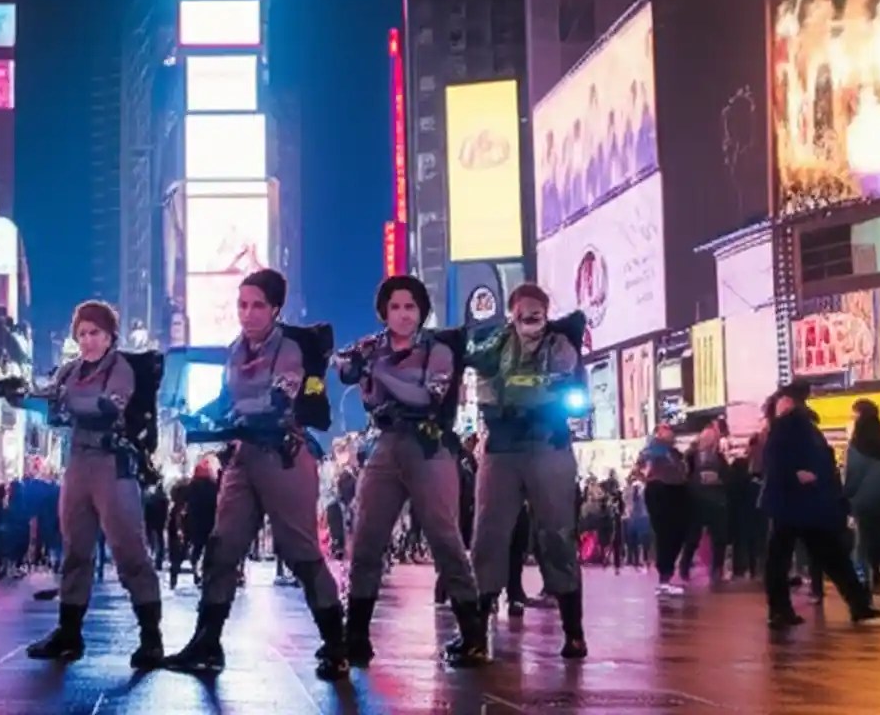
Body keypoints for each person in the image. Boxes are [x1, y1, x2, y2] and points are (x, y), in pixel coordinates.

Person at [164, 269, 347, 679]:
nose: (247, 314)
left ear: (276, 309)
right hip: (244, 458)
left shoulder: (289, 349)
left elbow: (281, 399)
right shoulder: (235, 349)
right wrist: (198, 415)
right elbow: (227, 398)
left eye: (257, 305)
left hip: (284, 455)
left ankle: (336, 645)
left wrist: (231, 420)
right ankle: (207, 643)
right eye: (242, 304)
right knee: (222, 548)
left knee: (301, 553)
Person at [335, 275, 480, 667]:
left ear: (421, 312)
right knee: (365, 540)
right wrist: (347, 363)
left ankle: (473, 636)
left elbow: (426, 397)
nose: (403, 314)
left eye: (411, 307)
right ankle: (356, 635)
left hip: (428, 446)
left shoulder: (438, 349)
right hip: (383, 445)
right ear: (384, 311)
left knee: (445, 538)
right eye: (395, 307)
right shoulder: (371, 346)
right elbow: (345, 373)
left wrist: (378, 371)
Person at [26, 301, 163, 669]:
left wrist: (64, 399)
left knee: (129, 550)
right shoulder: (70, 370)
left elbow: (110, 405)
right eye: (82, 333)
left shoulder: (120, 368)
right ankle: (68, 634)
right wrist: (20, 393)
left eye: (95, 333)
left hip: (112, 463)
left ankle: (151, 637)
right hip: (78, 463)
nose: (88, 341)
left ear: (109, 335)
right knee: (75, 550)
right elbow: (52, 406)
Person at [465, 283, 587, 661]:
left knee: (557, 536)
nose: (530, 318)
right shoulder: (496, 345)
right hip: (502, 450)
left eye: (537, 311)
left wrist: (522, 391)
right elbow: (483, 379)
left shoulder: (560, 346)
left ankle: (574, 631)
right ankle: (475, 633)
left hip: (548, 446)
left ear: (546, 312)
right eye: (522, 311)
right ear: (512, 313)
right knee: (488, 537)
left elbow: (566, 390)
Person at [762, 384, 880, 628]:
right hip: (799, 503)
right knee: (824, 555)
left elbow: (780, 462)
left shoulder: (793, 426)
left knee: (790, 557)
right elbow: (782, 462)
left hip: (796, 503)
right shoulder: (797, 427)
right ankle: (857, 603)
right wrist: (800, 475)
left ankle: (782, 610)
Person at [843, 400, 880, 597]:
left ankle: (867, 585)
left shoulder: (856, 447)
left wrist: (846, 497)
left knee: (864, 546)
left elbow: (852, 477)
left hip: (864, 504)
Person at [638, 424, 690, 595]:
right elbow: (641, 469)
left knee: (678, 533)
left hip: (676, 490)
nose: (671, 433)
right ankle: (664, 577)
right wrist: (650, 478)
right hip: (661, 489)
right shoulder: (652, 450)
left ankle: (667, 574)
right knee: (665, 533)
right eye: (666, 430)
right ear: (659, 433)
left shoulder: (674, 453)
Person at [681, 426, 730, 583]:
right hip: (698, 500)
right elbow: (685, 476)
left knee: (718, 538)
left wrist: (719, 481)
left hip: (716, 501)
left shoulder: (719, 458)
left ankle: (716, 570)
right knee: (693, 537)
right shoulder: (691, 456)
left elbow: (728, 477)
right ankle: (685, 566)